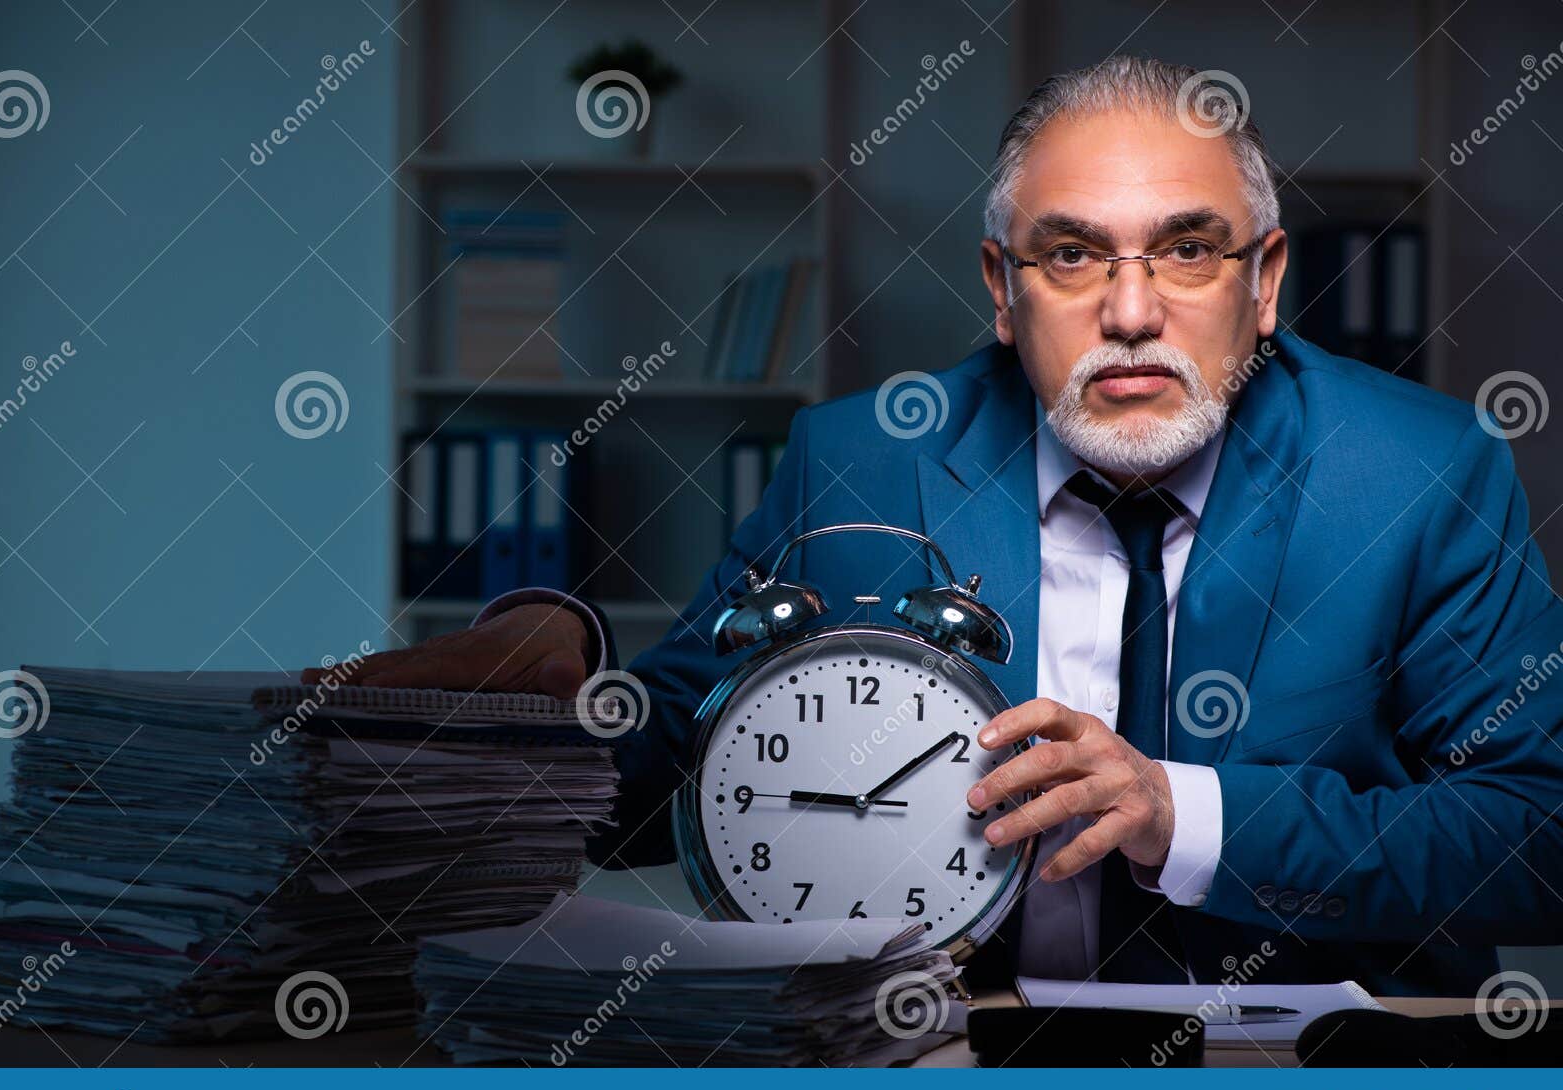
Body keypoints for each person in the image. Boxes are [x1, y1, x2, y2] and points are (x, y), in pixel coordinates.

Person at [307, 57, 1563, 993]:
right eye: (1071, 257)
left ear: (1267, 281)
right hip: (940, 1061)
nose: (1130, 313)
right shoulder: (856, 458)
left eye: (1186, 252)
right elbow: (666, 773)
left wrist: (1183, 814)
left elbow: (1537, 839)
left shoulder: (1418, 471)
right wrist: (526, 694)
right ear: (1001, 292)